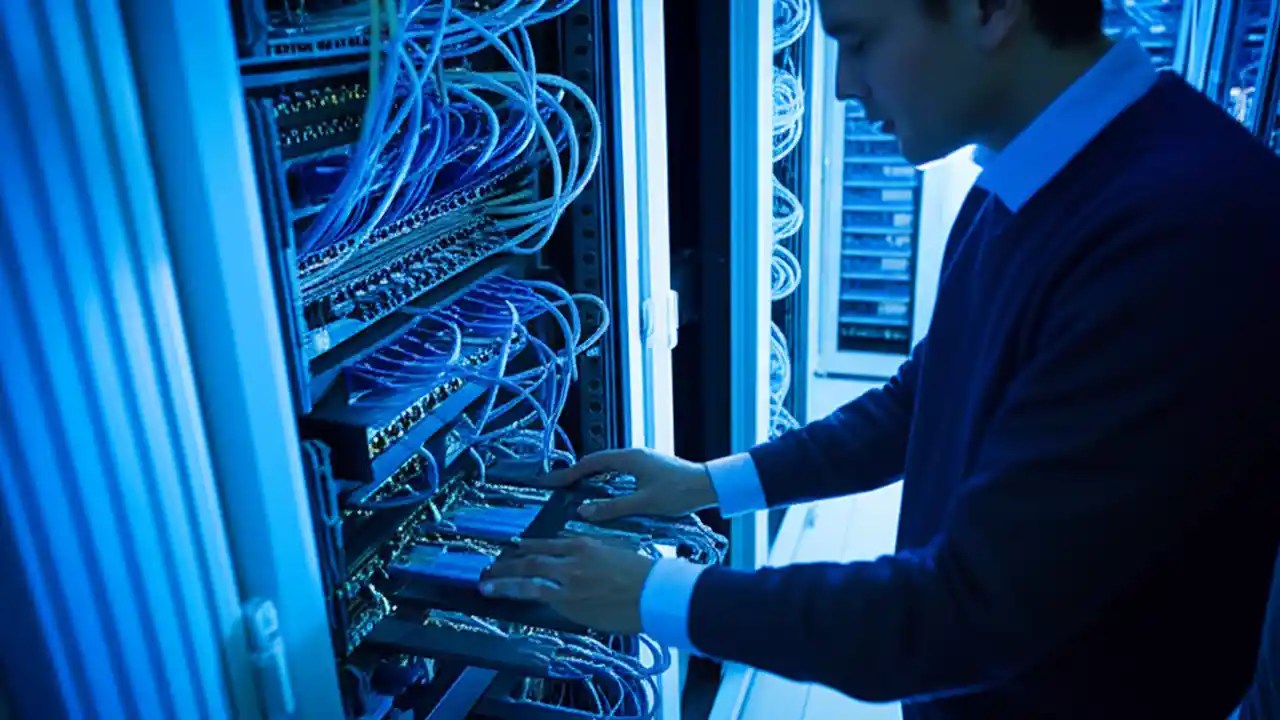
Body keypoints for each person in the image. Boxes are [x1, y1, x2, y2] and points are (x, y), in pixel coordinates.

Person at [480, 0, 1280, 717]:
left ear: (992, 9)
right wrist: (708, 483)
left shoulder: (1185, 230)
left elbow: (968, 617)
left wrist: (658, 596)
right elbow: (921, 400)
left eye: (858, 41)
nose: (841, 87)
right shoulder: (1028, 179)